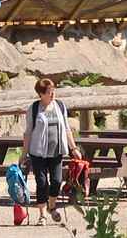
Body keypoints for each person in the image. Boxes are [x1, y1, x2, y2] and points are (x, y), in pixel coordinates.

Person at [19, 77, 80, 219]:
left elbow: (66, 129)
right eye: (49, 92)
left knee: (57, 181)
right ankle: (42, 215)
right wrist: (24, 154)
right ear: (41, 94)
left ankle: (51, 206)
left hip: (56, 151)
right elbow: (28, 133)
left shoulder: (60, 106)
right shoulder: (34, 109)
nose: (52, 94)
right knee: (41, 183)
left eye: (53, 91)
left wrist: (74, 148)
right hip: (38, 153)